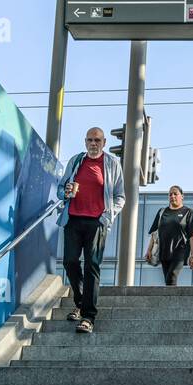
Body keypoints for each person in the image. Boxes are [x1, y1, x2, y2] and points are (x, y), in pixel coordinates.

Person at [56, 127, 125, 333]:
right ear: (85, 142)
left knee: (92, 267)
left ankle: (88, 317)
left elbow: (120, 196)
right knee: (69, 262)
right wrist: (66, 192)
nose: (93, 143)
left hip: (97, 222)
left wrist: (107, 216)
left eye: (97, 140)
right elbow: (60, 189)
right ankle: (80, 302)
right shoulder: (76, 161)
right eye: (89, 140)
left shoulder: (112, 164)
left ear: (104, 143)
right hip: (73, 219)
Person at [144, 185, 193, 286]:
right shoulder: (162, 212)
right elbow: (154, 234)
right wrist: (149, 250)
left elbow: (192, 236)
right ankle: (173, 300)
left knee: (171, 276)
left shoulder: (188, 212)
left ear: (182, 196)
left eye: (175, 194)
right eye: (170, 194)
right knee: (168, 281)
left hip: (180, 252)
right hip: (164, 252)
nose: (172, 196)